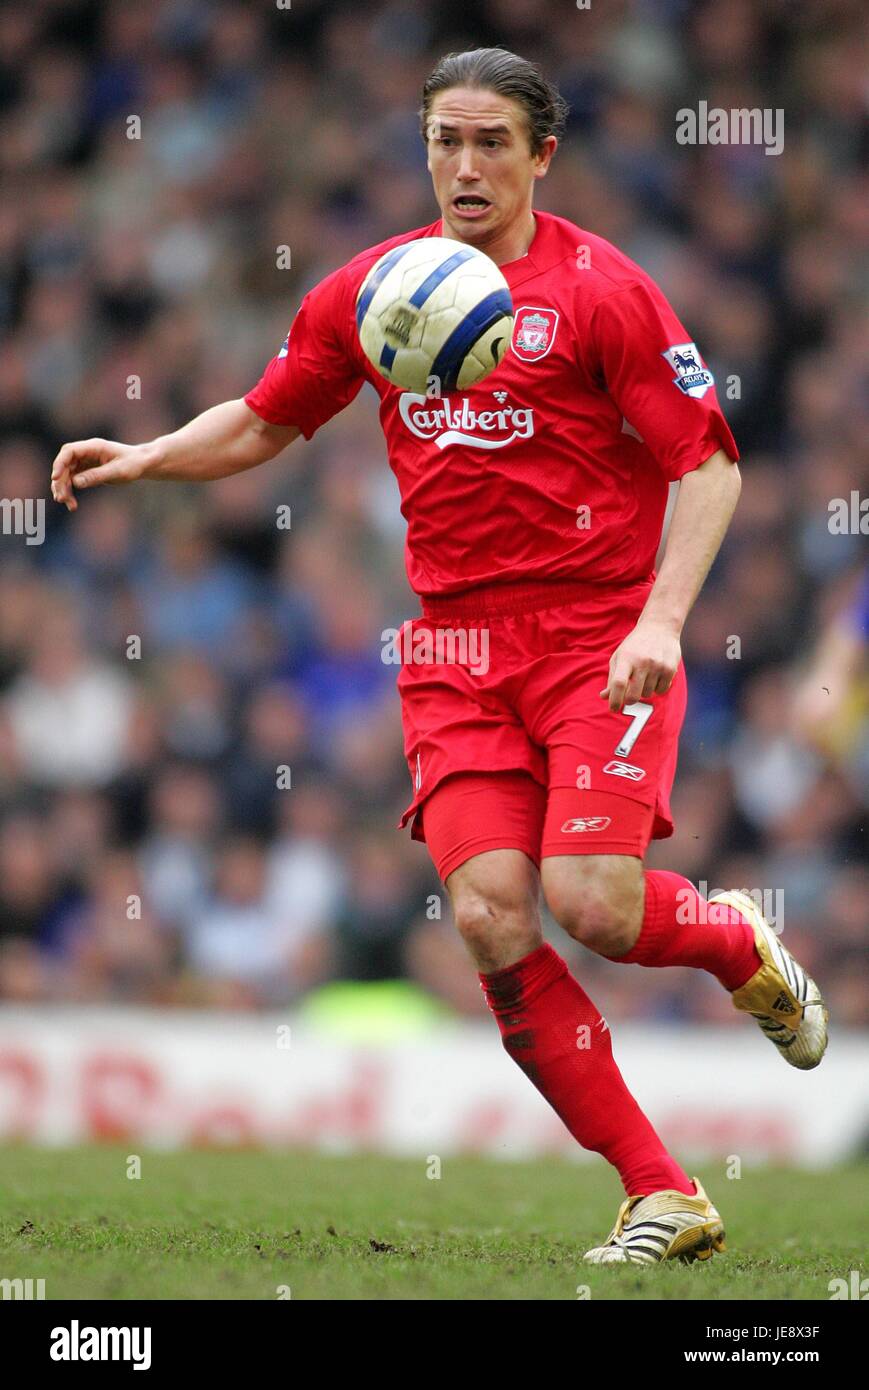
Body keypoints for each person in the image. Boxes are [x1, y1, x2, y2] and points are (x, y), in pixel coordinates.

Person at [51, 47, 827, 1265]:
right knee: (487, 914)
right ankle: (658, 1191)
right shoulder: (377, 290)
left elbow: (706, 460)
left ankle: (732, 941)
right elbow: (265, 417)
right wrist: (147, 457)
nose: (464, 167)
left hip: (595, 637)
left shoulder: (602, 290)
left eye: (491, 145)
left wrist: (661, 620)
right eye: (443, 142)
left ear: (540, 157)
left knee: (593, 906)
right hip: (457, 648)